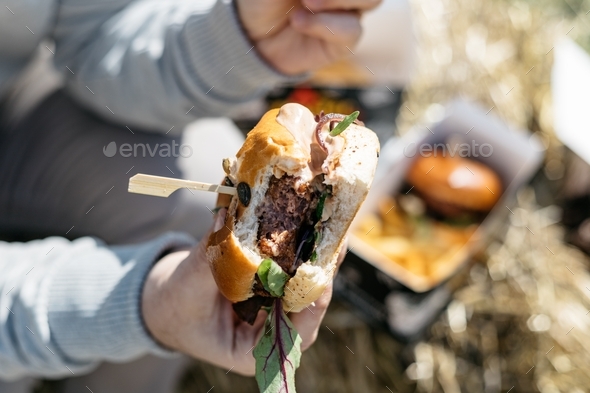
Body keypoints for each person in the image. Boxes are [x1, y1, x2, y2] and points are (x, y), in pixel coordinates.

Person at [0, 0, 381, 391]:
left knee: (202, 199)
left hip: (17, 89)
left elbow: (97, 30)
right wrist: (141, 307)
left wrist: (239, 40)